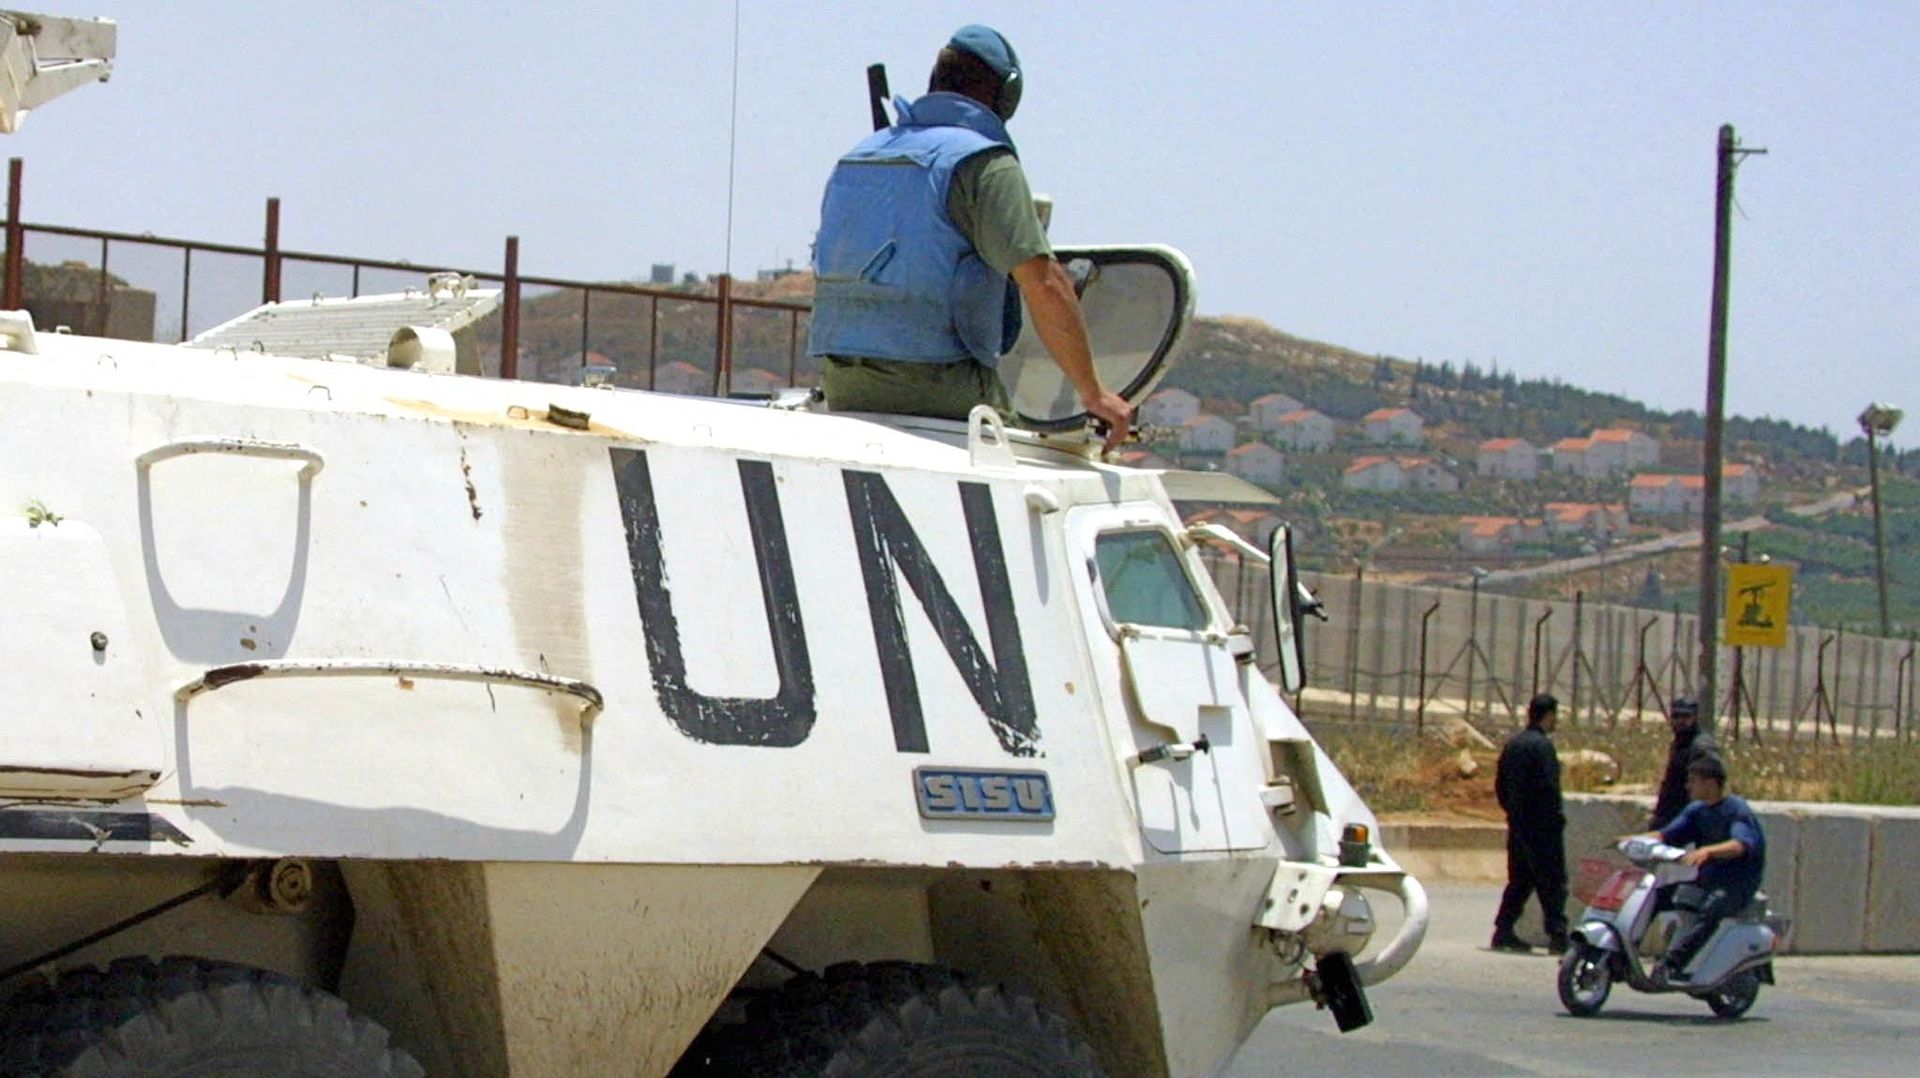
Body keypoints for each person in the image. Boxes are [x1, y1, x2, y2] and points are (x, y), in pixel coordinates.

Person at [808, 24, 1133, 453]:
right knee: (1036, 454)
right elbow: (1044, 282)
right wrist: (1093, 393)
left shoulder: (858, 156)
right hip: (941, 384)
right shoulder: (984, 164)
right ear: (1006, 96)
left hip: (844, 382)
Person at [1637, 755, 1766, 983]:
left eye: (1693, 781)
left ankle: (1672, 965)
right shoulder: (1697, 810)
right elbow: (1666, 835)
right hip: (1707, 879)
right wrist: (1631, 841)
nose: (1688, 786)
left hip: (1736, 884)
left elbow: (1740, 845)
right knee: (1659, 894)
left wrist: (1708, 851)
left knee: (1710, 910)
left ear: (1710, 783)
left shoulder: (1736, 809)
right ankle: (1629, 949)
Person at [1491, 693, 1568, 954]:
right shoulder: (1542, 747)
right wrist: (1554, 820)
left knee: (1521, 880)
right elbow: (1548, 789)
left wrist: (1513, 812)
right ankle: (1558, 936)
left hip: (1518, 825)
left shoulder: (1514, 745)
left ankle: (1503, 931)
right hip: (1542, 828)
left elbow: (1500, 786)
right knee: (1552, 882)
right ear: (1549, 716)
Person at [1648, 696, 1720, 830]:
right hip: (1670, 815)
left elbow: (1711, 786)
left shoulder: (1701, 746)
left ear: (1695, 718)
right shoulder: (1681, 743)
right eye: (1676, 716)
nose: (1680, 721)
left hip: (1687, 819)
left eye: (1685, 716)